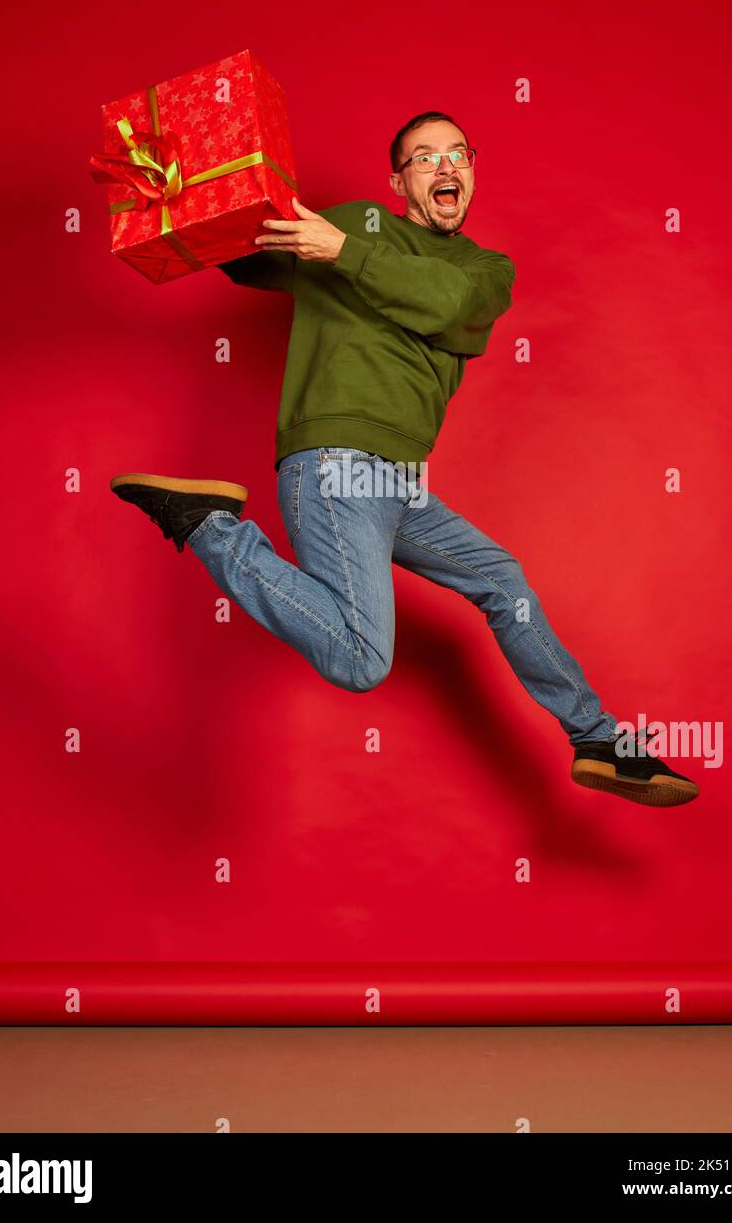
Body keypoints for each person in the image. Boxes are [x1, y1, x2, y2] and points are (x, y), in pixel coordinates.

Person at [110, 111, 699, 808]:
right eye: (425, 158)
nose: (445, 166)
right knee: (361, 660)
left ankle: (597, 741)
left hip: (399, 484)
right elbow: (247, 253)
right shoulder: (357, 222)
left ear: (471, 172)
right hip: (333, 463)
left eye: (458, 154)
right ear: (399, 182)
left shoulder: (483, 270)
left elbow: (448, 303)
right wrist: (179, 189)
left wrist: (343, 254)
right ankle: (208, 525)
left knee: (501, 582)